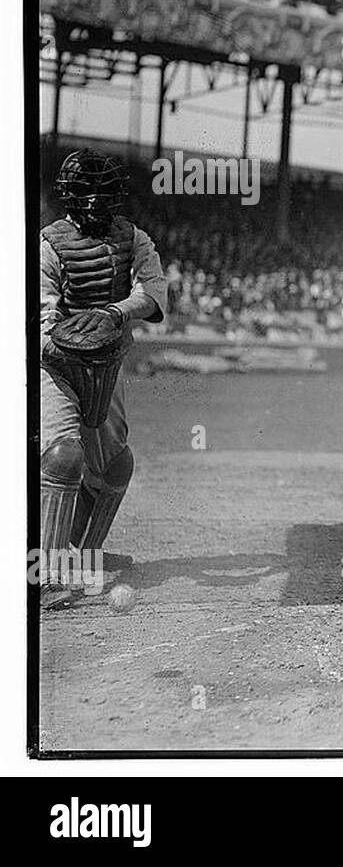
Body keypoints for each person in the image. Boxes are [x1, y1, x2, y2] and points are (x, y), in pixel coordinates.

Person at [38, 149, 169, 610]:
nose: (95, 199)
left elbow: (153, 294)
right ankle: (46, 576)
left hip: (106, 365)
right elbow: (40, 317)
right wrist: (71, 338)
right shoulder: (49, 244)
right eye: (85, 190)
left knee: (116, 466)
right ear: (69, 194)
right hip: (55, 364)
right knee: (63, 455)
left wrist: (113, 312)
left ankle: (82, 557)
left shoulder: (134, 240)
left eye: (103, 190)